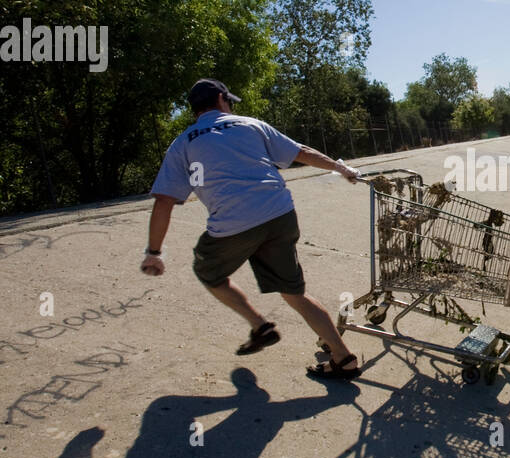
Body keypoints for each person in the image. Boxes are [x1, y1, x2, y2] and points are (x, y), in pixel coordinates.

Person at [144, 78, 362, 378]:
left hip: (233, 224)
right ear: (222, 99)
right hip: (279, 213)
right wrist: (342, 168)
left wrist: (154, 252)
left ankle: (259, 325)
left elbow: (164, 202)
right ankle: (343, 358)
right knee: (294, 293)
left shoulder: (183, 144)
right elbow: (301, 151)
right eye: (229, 100)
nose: (231, 105)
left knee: (208, 271)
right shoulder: (250, 124)